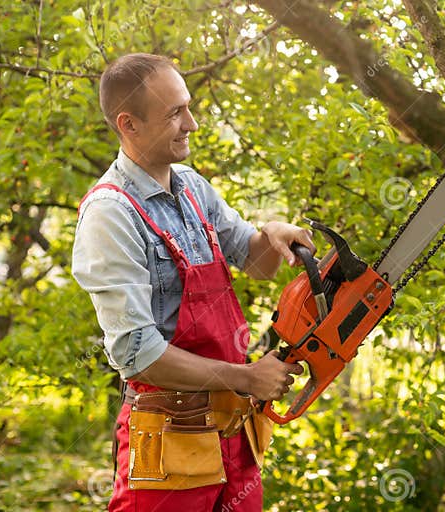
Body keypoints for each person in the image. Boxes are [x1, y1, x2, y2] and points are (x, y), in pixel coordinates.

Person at [71, 53, 311, 511]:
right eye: (175, 114)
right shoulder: (110, 214)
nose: (192, 124)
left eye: (188, 106)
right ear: (129, 124)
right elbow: (137, 354)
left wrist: (273, 233)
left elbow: (257, 261)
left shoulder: (192, 187)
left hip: (231, 435)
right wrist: (246, 377)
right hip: (166, 443)